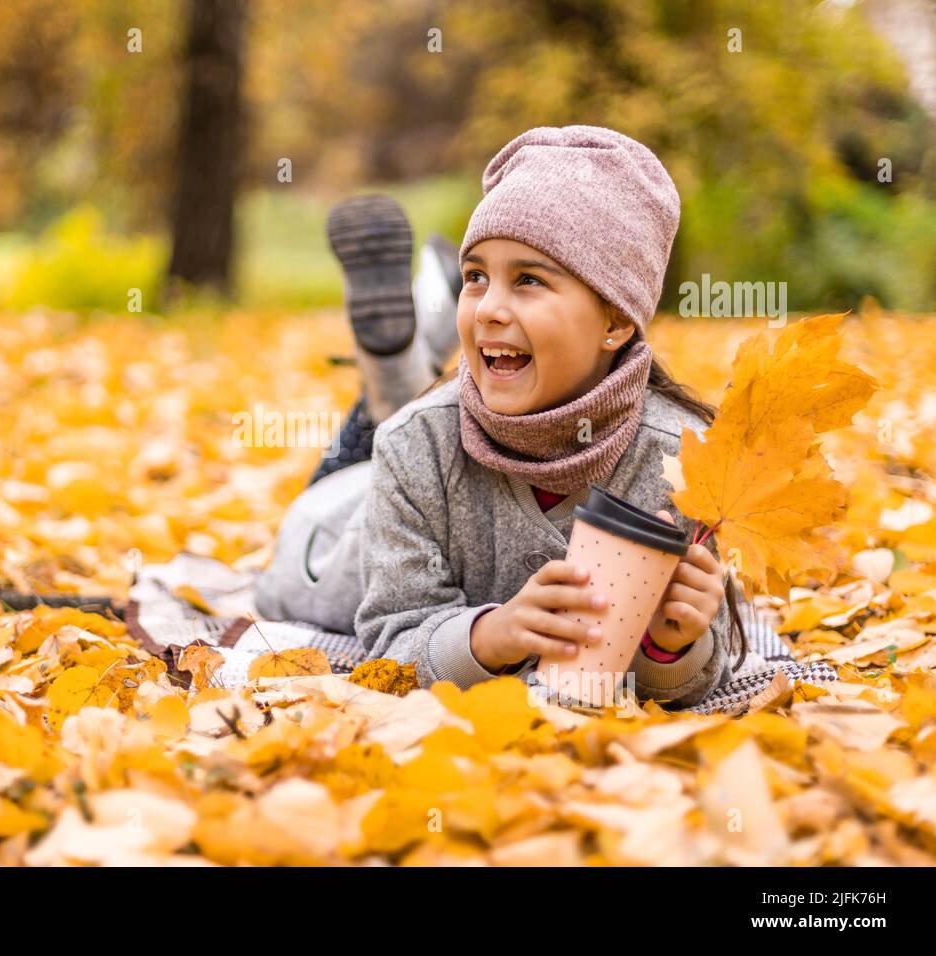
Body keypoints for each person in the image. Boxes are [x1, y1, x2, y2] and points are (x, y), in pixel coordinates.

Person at [253, 125, 750, 709]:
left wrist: (669, 645)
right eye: (475, 278)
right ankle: (389, 383)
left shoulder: (682, 460)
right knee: (382, 442)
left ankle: (402, 366)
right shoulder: (416, 448)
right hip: (334, 536)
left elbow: (695, 676)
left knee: (406, 416)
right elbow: (388, 644)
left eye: (529, 280)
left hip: (418, 442)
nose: (488, 308)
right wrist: (490, 636)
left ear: (615, 321)